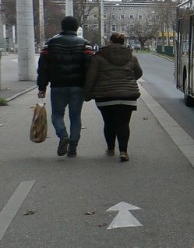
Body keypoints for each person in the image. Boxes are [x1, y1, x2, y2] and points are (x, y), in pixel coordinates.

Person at [37, 15, 95, 157]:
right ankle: (73, 148)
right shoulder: (85, 44)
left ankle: (63, 136)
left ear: (62, 27)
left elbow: (43, 67)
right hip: (78, 86)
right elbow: (90, 67)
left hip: (58, 86)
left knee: (57, 115)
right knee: (75, 116)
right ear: (76, 28)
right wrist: (90, 86)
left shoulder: (50, 44)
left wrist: (42, 87)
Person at [83, 32, 142, 162]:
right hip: (127, 96)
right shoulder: (131, 57)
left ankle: (110, 149)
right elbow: (138, 73)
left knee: (109, 122)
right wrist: (127, 81)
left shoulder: (99, 56)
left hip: (105, 95)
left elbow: (91, 77)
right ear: (123, 42)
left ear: (110, 42)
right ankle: (123, 152)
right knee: (124, 123)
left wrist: (87, 94)